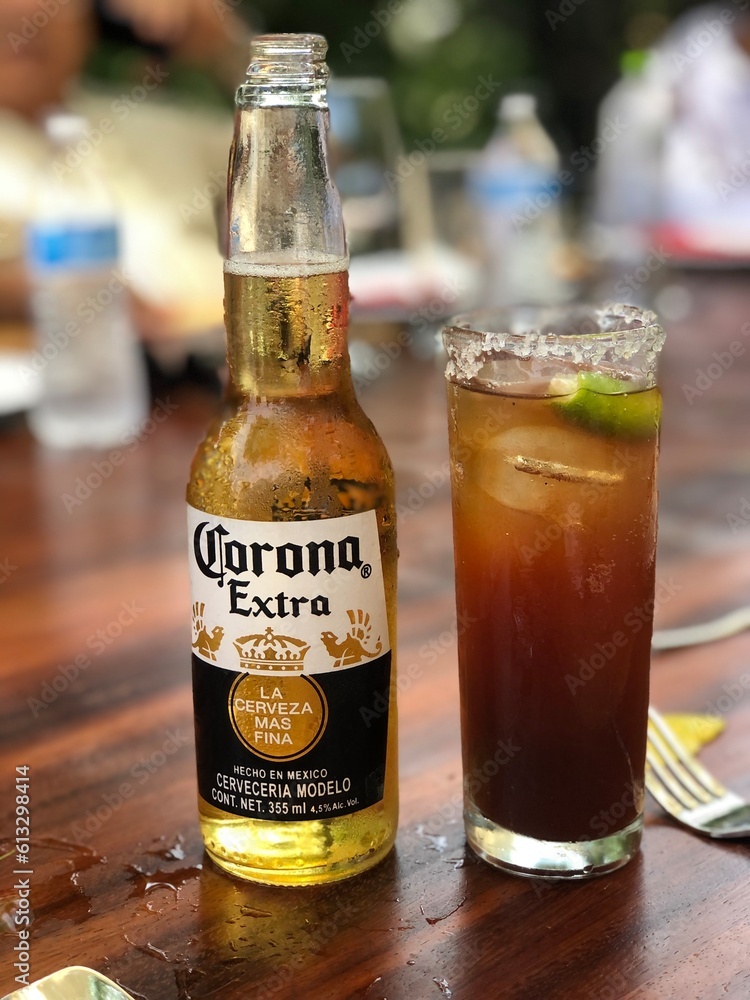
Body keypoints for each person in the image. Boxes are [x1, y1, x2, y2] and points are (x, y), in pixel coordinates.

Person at [0, 0, 249, 336]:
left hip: (243, 359)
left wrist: (226, 47)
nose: (23, 13)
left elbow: (306, 160)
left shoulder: (149, 122)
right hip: (92, 380)